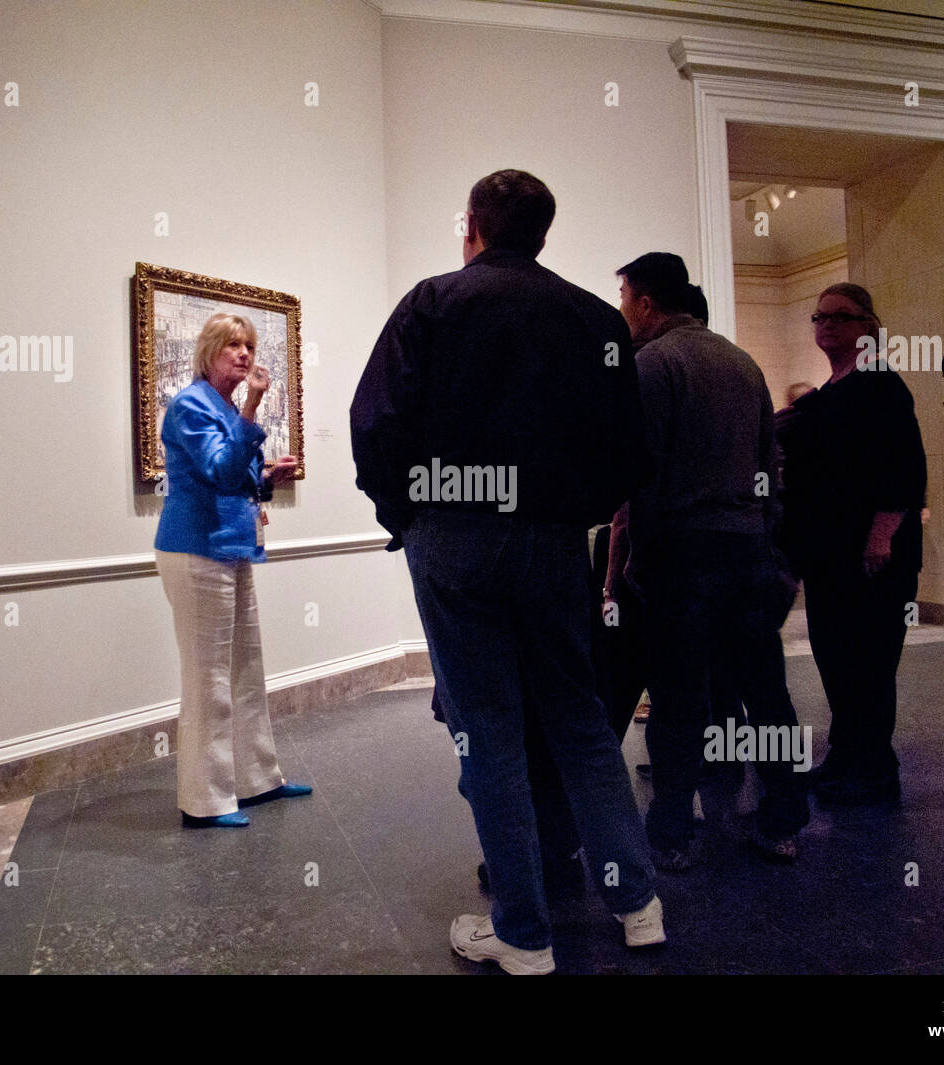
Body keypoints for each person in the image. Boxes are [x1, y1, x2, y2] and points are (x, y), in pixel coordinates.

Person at [351, 169, 663, 975]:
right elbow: (628, 449)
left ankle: (523, 932)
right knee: (581, 720)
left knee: (485, 729)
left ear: (475, 226)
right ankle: (637, 904)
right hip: (553, 537)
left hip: (454, 531)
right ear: (544, 234)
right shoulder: (595, 316)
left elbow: (375, 419)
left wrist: (407, 513)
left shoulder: (433, 301)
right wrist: (576, 509)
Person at [619, 252, 809, 865]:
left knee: (678, 700)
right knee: (766, 692)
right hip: (746, 548)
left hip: (683, 551)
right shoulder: (742, 362)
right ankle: (783, 819)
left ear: (646, 302)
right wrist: (770, 547)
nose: (622, 310)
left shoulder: (653, 363)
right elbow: (767, 468)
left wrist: (637, 558)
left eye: (625, 298)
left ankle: (671, 834)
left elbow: (643, 474)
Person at [154, 312, 310, 828]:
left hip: (232, 546)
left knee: (245, 667)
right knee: (208, 677)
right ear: (210, 352)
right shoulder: (190, 406)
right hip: (195, 549)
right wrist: (254, 406)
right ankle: (205, 801)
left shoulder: (220, 405)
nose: (243, 353)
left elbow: (237, 475)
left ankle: (257, 780)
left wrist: (267, 473)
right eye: (231, 345)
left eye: (247, 344)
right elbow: (219, 472)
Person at [775, 283, 926, 804]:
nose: (827, 325)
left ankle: (875, 772)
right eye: (820, 316)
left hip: (869, 555)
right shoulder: (835, 390)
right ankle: (846, 758)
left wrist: (880, 536)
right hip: (829, 553)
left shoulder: (880, 386)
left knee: (868, 664)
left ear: (868, 326)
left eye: (842, 317)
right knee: (837, 660)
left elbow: (905, 470)